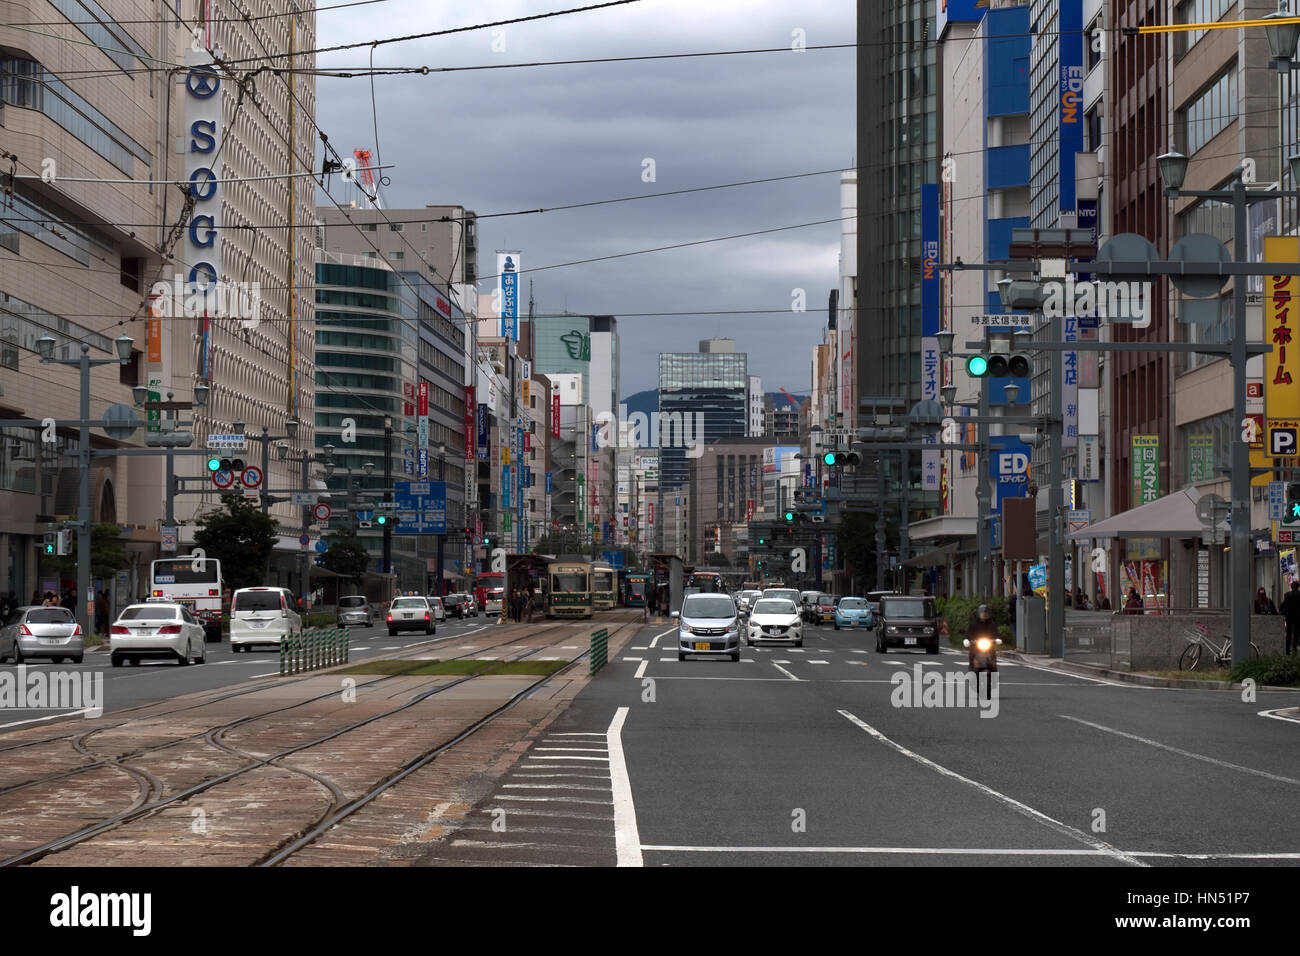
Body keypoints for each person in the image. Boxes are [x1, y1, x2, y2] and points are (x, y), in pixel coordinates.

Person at [1281, 581, 1300, 656]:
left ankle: (1287, 651)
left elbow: (1283, 605)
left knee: (1288, 634)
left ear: (1291, 587)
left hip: (1289, 617)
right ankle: (1294, 648)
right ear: (1298, 586)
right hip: (1298, 617)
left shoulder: (1287, 595)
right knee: (1297, 633)